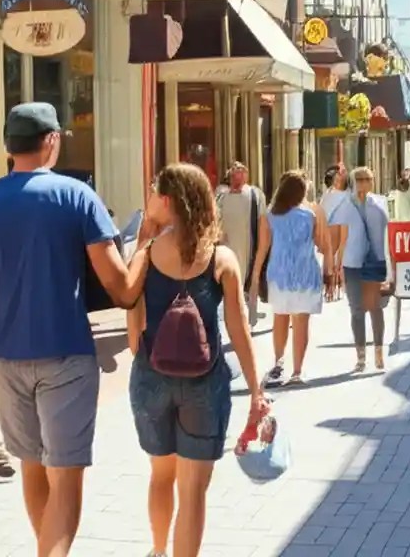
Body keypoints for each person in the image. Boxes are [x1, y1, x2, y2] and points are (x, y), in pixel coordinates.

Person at [0, 103, 151, 557]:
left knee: (32, 470)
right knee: (67, 477)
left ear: (7, 147)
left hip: (6, 360)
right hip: (66, 357)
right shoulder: (78, 197)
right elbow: (120, 288)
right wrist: (147, 250)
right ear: (52, 141)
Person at [127, 162, 266, 557]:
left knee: (160, 476)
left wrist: (142, 242)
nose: (149, 196)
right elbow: (239, 330)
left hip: (151, 376)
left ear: (167, 201)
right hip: (205, 382)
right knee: (192, 492)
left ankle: (157, 550)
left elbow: (132, 326)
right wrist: (256, 391)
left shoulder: (147, 254)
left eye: (154, 190)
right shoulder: (221, 258)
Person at [250, 171, 332, 388]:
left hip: (279, 275)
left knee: (280, 319)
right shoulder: (311, 216)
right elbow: (323, 244)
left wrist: (255, 276)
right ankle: (297, 371)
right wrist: (330, 269)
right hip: (306, 275)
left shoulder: (269, 217)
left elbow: (262, 249)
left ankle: (278, 363)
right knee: (301, 322)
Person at [330, 166, 391, 372]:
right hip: (353, 262)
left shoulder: (380, 202)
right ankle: (361, 356)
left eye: (368, 179)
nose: (364, 182)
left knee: (375, 308)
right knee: (357, 309)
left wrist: (391, 265)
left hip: (375, 261)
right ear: (353, 182)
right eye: (360, 179)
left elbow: (387, 234)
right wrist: (336, 263)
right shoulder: (345, 204)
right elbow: (337, 231)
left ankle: (379, 352)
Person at [216, 162, 266, 326]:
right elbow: (216, 220)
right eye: (235, 171)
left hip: (248, 245)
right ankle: (234, 317)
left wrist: (262, 245)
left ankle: (250, 316)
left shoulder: (255, 194)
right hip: (227, 246)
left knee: (251, 278)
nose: (239, 174)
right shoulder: (221, 195)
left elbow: (261, 222)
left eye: (242, 170)